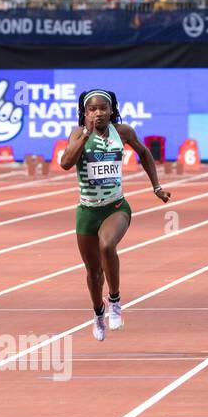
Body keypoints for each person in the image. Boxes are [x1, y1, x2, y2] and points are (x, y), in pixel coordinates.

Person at [59, 89, 171, 342]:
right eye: (92, 109)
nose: (98, 113)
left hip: (116, 207)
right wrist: (86, 133)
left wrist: (156, 187)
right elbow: (65, 163)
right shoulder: (78, 134)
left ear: (112, 110)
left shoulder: (123, 132)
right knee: (93, 273)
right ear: (85, 113)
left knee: (107, 245)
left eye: (103, 108)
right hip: (87, 210)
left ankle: (115, 301)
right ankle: (98, 313)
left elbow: (144, 153)